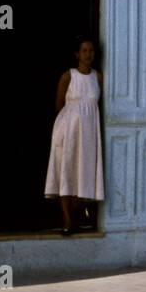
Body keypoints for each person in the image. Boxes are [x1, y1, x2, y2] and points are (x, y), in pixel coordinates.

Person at [44, 36, 105, 236]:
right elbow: (58, 105)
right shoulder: (68, 76)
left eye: (91, 51)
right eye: (84, 51)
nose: (88, 54)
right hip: (68, 129)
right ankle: (68, 220)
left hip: (88, 133)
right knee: (66, 170)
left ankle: (74, 215)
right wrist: (72, 121)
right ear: (77, 54)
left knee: (83, 173)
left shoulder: (98, 77)